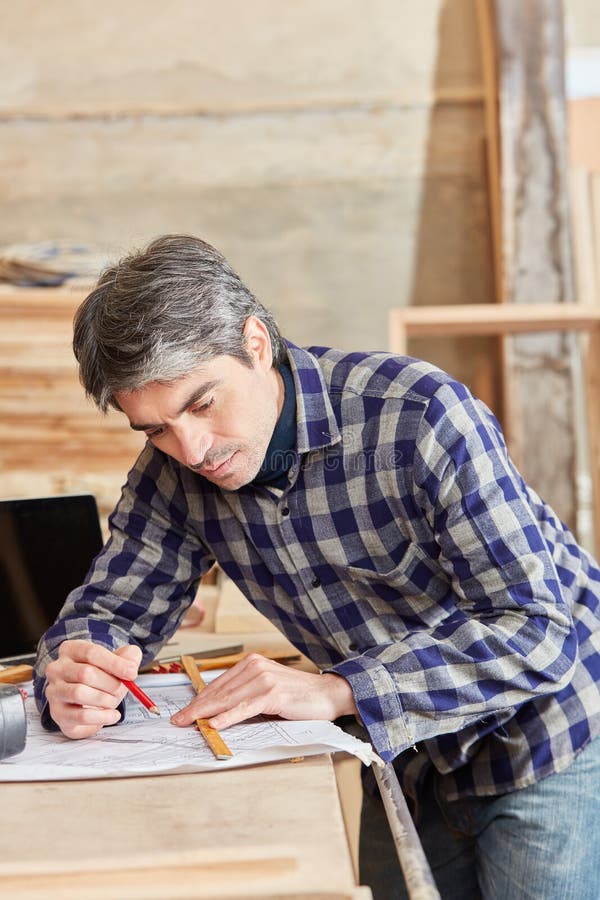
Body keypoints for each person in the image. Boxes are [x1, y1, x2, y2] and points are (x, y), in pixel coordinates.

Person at [34, 234, 600, 899]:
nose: (191, 450)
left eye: (202, 403)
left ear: (255, 341)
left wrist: (340, 689)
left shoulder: (419, 416)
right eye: (154, 428)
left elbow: (537, 631)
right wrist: (76, 672)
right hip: (408, 756)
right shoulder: (173, 472)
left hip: (548, 733)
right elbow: (107, 616)